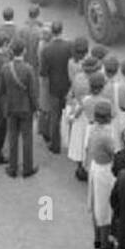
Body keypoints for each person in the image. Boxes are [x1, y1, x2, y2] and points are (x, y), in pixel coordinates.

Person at [0, 42, 38, 178]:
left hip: (10, 106)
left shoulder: (5, 68)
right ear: (24, 51)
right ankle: (27, 168)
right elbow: (32, 92)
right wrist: (35, 107)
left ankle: (12, 167)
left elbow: (0, 90)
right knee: (27, 138)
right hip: (25, 107)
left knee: (12, 137)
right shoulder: (29, 69)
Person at [84, 99, 118, 249]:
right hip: (105, 170)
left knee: (96, 202)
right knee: (104, 207)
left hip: (95, 166)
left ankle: (97, 238)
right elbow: (114, 153)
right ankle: (105, 244)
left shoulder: (92, 129)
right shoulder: (105, 135)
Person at [39, 22, 73, 153]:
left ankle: (55, 145)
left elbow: (43, 72)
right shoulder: (69, 46)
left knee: (55, 117)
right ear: (62, 31)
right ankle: (71, 143)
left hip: (53, 87)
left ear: (52, 32)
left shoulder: (46, 50)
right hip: (67, 86)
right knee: (70, 114)